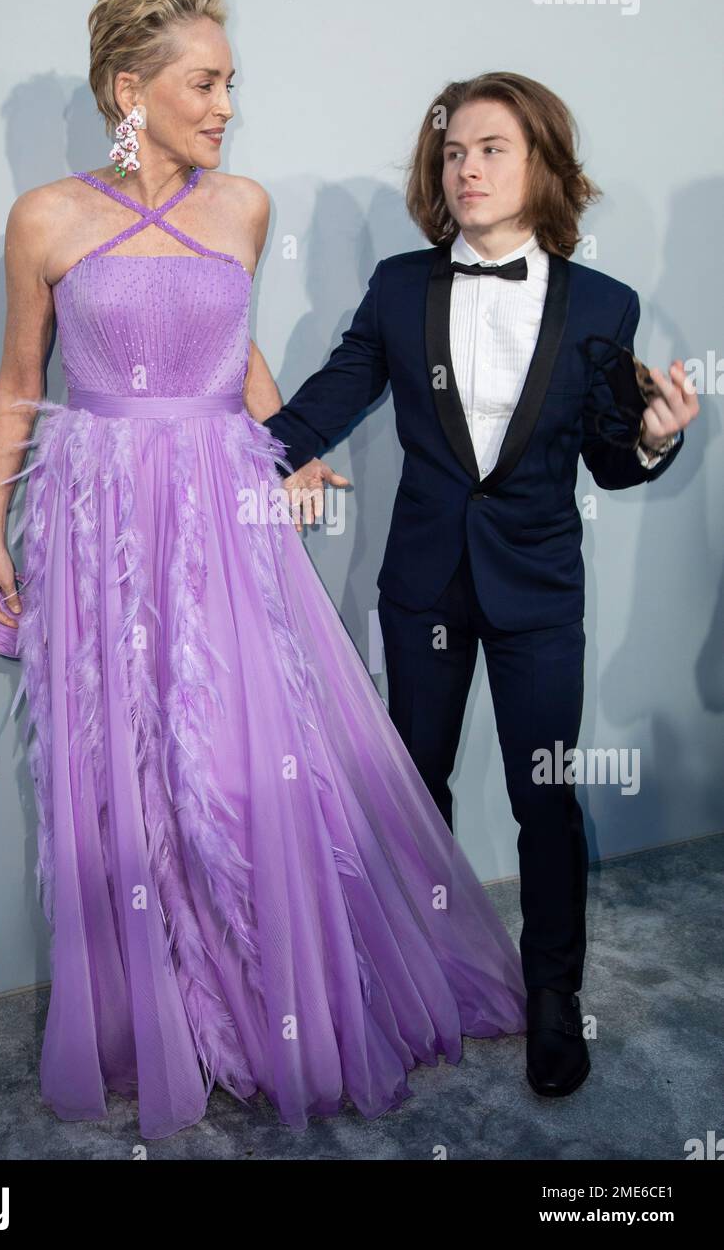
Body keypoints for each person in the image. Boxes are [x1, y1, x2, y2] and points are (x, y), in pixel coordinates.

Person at [0, 0, 528, 1142]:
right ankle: (166, 1018)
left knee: (239, 762)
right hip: (96, 518)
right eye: (204, 82)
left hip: (221, 513)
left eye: (232, 83)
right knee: (125, 779)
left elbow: (236, 348)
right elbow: (21, 383)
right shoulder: (45, 219)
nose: (227, 104)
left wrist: (289, 451)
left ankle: (269, 1006)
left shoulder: (243, 207)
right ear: (132, 90)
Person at [262, 71, 700, 1098]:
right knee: (410, 793)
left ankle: (552, 1000)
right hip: (420, 587)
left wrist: (648, 437)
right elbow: (325, 402)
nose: (466, 167)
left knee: (544, 797)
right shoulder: (396, 288)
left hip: (538, 592)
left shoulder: (601, 302)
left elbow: (605, 452)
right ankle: (413, 984)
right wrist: (229, 454)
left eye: (490, 148)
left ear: (540, 163)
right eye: (453, 151)